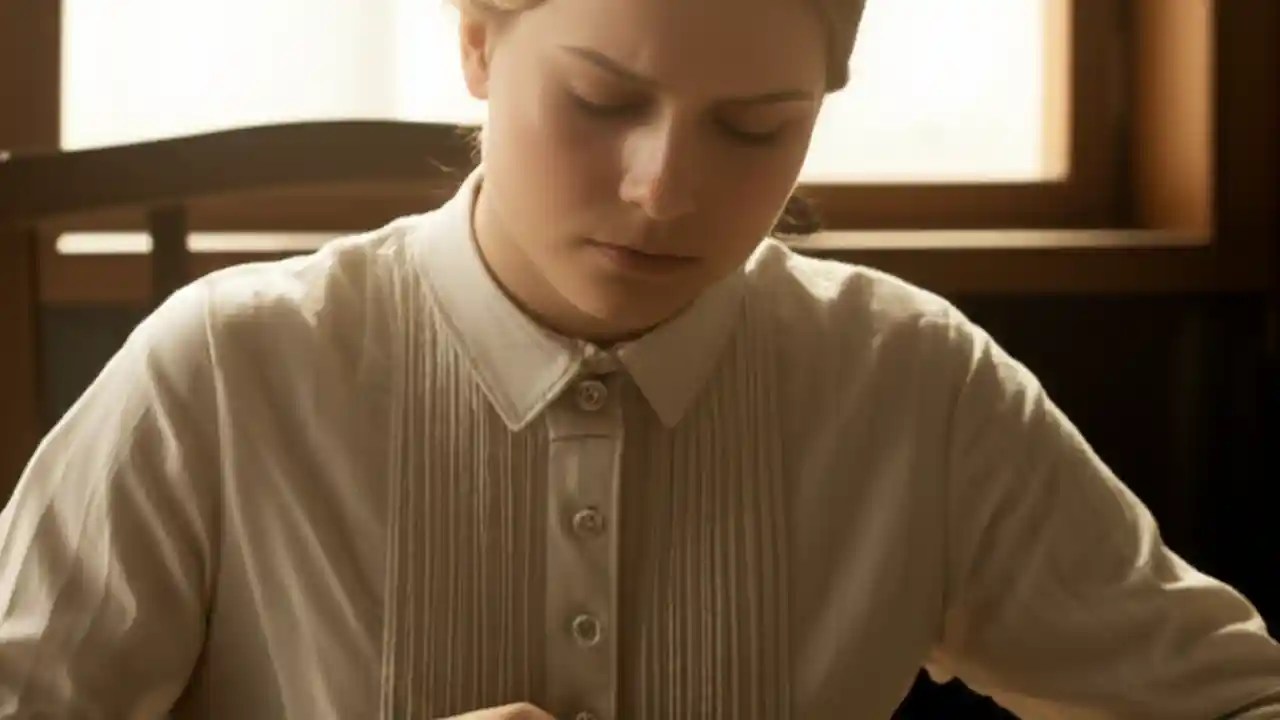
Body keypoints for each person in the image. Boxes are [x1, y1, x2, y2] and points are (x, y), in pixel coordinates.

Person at [2, 0, 1279, 717]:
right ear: (478, 42)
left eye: (755, 127)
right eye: (602, 101)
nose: (663, 189)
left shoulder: (912, 385)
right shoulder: (222, 374)